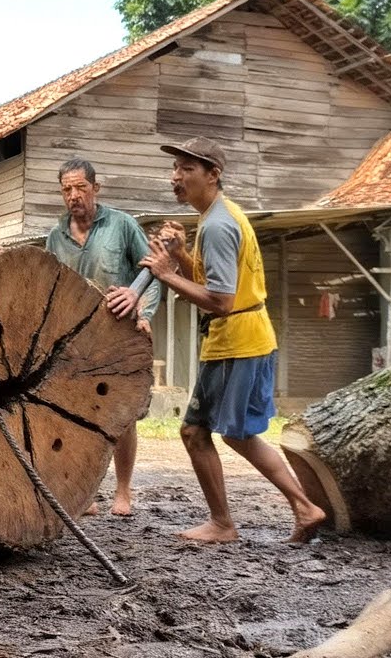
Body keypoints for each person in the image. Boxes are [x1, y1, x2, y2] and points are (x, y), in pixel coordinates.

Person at [139, 137, 325, 543]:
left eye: (187, 169)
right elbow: (215, 284)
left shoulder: (220, 225)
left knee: (200, 432)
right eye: (175, 169)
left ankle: (229, 522)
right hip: (241, 340)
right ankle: (301, 508)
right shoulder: (216, 217)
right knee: (223, 433)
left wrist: (167, 273)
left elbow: (221, 301)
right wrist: (183, 257)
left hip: (236, 342)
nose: (176, 177)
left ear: (213, 175)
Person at [0, 158, 159, 516]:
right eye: (66, 190)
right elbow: (45, 270)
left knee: (122, 414)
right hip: (72, 338)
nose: (74, 196)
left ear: (96, 188)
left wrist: (144, 311)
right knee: (74, 414)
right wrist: (4, 253)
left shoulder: (122, 225)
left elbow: (153, 270)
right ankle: (83, 493)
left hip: (118, 330)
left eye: (81, 188)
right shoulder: (56, 235)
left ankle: (123, 492)